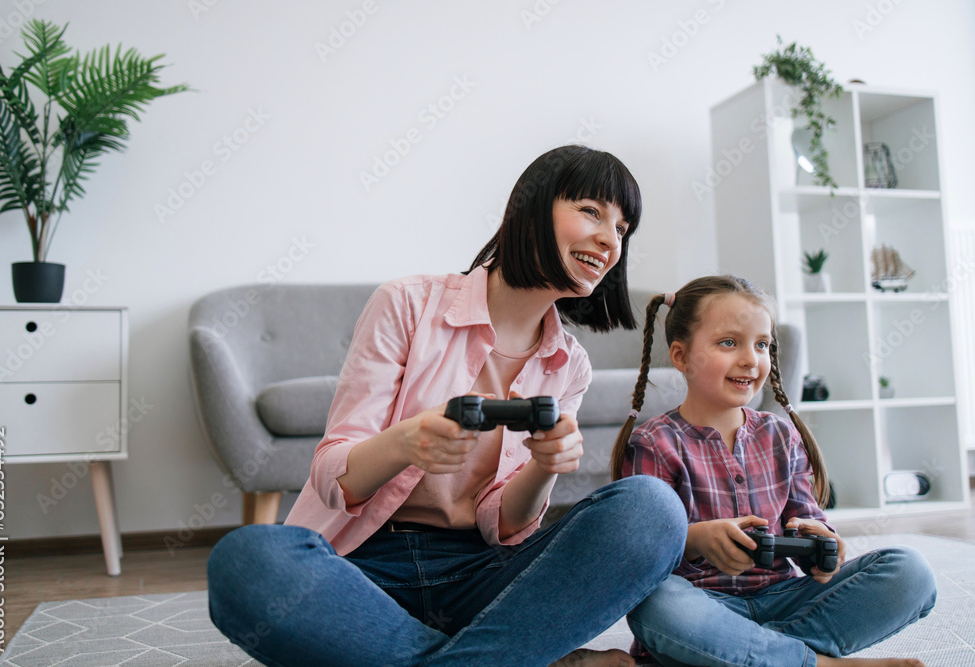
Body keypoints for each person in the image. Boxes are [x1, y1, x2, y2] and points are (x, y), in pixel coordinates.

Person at [207, 145, 689, 667]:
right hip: (362, 570)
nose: (609, 240)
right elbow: (332, 476)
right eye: (592, 211)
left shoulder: (570, 364)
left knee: (653, 510)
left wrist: (545, 468)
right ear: (530, 207)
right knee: (247, 560)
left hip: (480, 577)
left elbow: (503, 524)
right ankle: (516, 659)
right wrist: (407, 441)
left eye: (622, 229)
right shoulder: (406, 304)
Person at [608, 274, 937, 667]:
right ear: (680, 357)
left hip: (784, 600)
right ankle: (816, 663)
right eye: (728, 342)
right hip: (702, 606)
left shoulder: (779, 434)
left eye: (762, 344)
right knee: (656, 606)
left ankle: (743, 657)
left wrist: (823, 545)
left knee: (910, 573)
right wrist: (697, 539)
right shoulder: (655, 442)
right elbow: (641, 556)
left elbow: (807, 520)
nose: (751, 358)